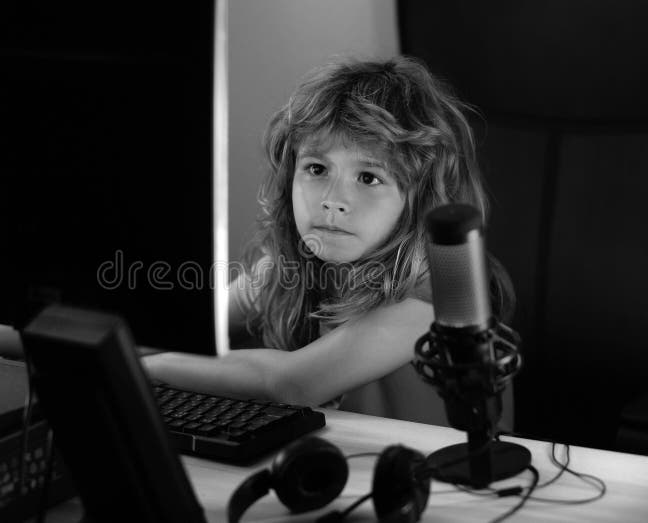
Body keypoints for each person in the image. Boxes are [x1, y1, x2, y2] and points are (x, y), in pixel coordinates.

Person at [143, 55, 514, 412]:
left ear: (420, 202)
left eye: (368, 178)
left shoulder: (431, 301)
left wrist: (147, 366)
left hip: (439, 473)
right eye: (317, 169)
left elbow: (291, 384)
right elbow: (193, 326)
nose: (333, 200)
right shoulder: (285, 270)